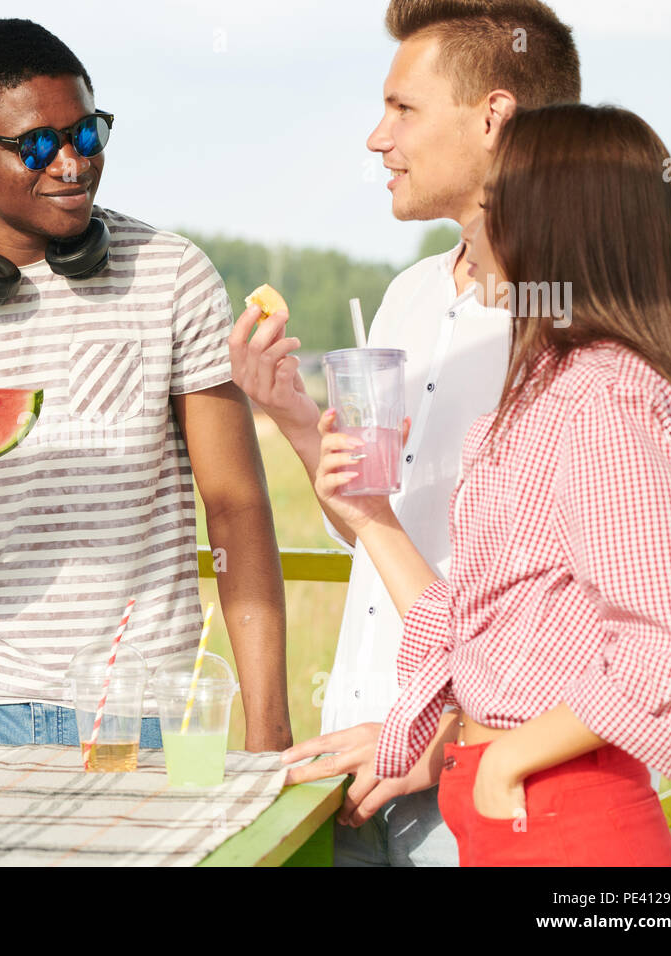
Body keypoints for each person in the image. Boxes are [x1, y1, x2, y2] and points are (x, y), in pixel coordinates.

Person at [0, 19, 291, 751]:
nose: (71, 165)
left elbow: (237, 510)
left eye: (87, 136)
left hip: (148, 714)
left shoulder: (170, 274)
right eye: (36, 146)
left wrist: (267, 730)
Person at [314, 102, 671, 866]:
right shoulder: (550, 387)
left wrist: (506, 759)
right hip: (517, 810)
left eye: (494, 203)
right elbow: (487, 630)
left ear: (560, 228)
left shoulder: (603, 396)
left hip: (563, 817)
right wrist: (371, 518)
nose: (472, 222)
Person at [230, 0, 580, 865]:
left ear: (493, 116)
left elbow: (611, 606)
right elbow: (367, 515)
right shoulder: (410, 296)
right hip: (357, 757)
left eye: (403, 109)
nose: (376, 138)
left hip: (480, 776)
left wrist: (454, 737)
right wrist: (293, 419)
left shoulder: (579, 318)